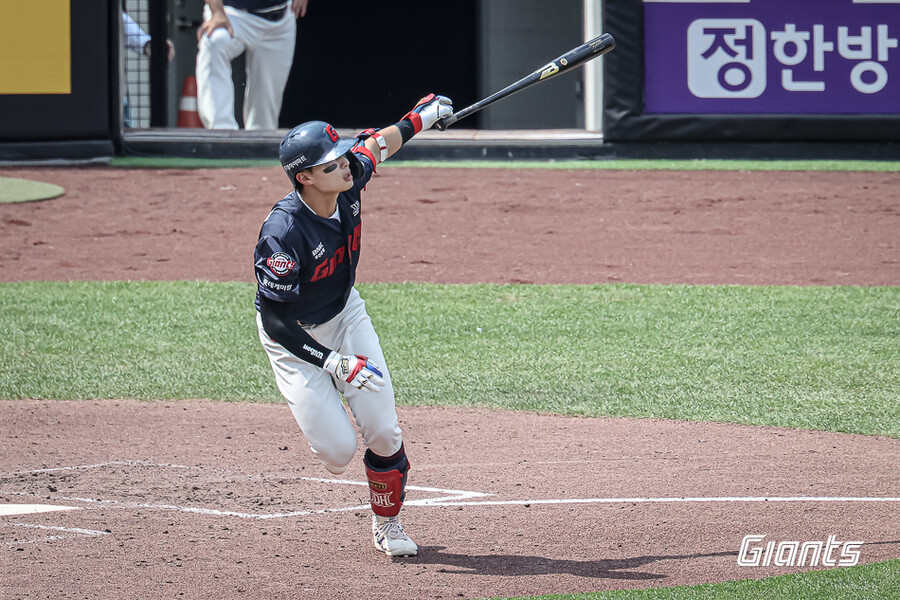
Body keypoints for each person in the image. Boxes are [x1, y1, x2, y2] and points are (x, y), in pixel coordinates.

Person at [254, 94, 453, 557]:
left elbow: (376, 144)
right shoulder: (282, 235)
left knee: (384, 431)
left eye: (341, 154)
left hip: (345, 315)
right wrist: (332, 363)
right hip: (295, 338)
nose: (343, 165)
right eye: (330, 164)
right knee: (337, 453)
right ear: (304, 177)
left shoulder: (349, 177)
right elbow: (276, 319)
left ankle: (389, 526)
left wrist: (421, 117)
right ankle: (319, 398)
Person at [195, 0, 309, 130]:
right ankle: (221, 132)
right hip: (232, 14)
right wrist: (217, 13)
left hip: (279, 19)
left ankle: (260, 143)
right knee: (215, 42)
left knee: (264, 116)